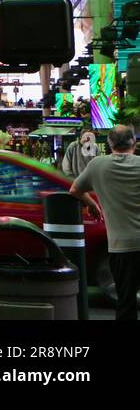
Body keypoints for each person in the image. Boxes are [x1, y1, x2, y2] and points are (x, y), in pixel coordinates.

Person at [69, 125, 140, 320]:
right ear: (134, 143)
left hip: (121, 248)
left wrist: (92, 205)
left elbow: (75, 190)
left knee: (126, 303)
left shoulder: (97, 166)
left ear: (109, 144)